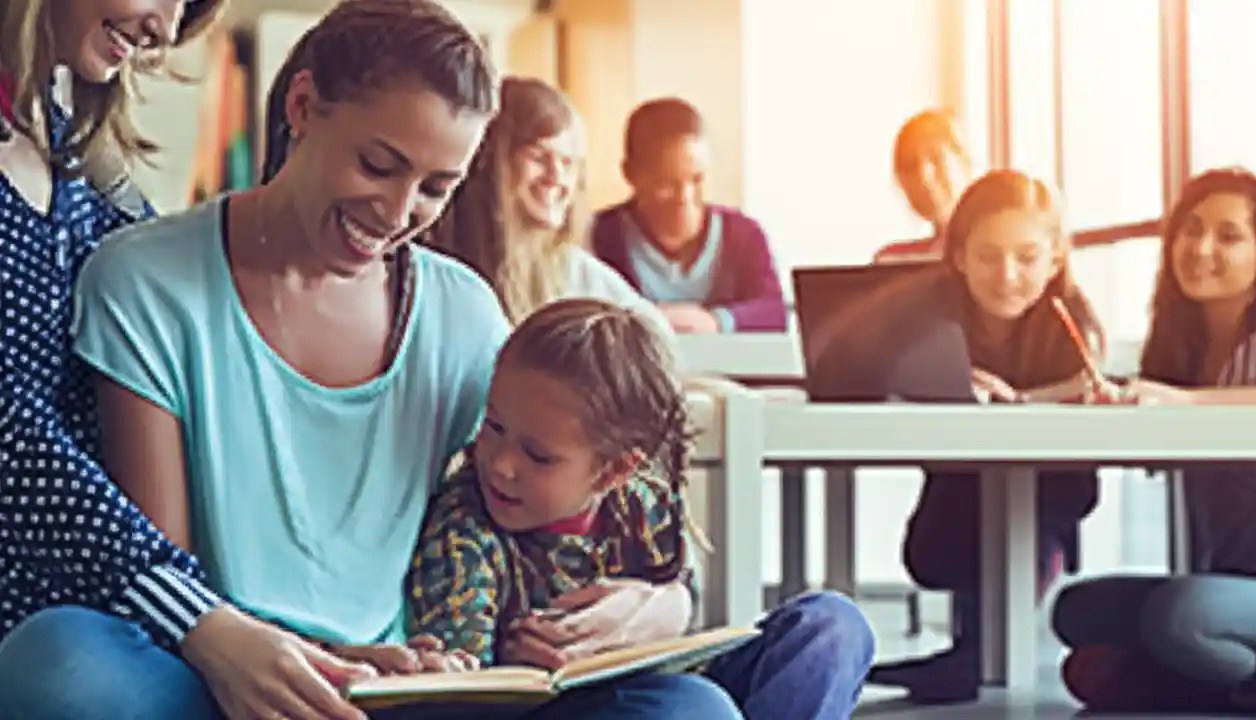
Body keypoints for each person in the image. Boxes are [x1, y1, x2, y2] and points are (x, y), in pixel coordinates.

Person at [1, 2, 737, 719]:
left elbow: (595, 471)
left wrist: (666, 600)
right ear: (302, 105)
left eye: (436, 190)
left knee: (692, 707)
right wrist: (301, 654)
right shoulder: (144, 277)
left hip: (408, 686)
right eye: (378, 164)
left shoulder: (460, 314)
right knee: (62, 661)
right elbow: (163, 573)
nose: (396, 213)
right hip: (228, 675)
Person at [409, 298, 876, 720]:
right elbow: (461, 684)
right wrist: (510, 662)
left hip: (657, 687)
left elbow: (680, 612)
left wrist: (661, 613)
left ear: (613, 471)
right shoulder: (465, 528)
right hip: (563, 710)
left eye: (538, 456)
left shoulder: (644, 502)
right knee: (693, 707)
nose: (501, 463)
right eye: (493, 427)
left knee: (833, 627)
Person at [0, 0, 224, 715]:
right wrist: (196, 616)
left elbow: (180, 307)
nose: (165, 26)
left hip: (102, 603)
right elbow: (13, 434)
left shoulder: (64, 150)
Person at [813, 169, 1108, 704]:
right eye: (989, 256)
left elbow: (1088, 388)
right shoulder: (927, 311)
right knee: (931, 555)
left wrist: (1031, 400)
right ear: (959, 257)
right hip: (958, 483)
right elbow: (867, 363)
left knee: (1013, 536)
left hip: (1050, 490)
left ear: (1056, 259)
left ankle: (975, 655)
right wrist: (950, 379)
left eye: (1026, 257)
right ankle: (967, 654)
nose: (1007, 274)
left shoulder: (1073, 321)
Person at [1053, 168, 1256, 715]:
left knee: (1181, 617)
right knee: (1075, 611)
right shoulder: (1181, 354)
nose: (1201, 248)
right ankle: (1214, 679)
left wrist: (1186, 403)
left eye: (1229, 236)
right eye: (1190, 229)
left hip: (1249, 595)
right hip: (1233, 588)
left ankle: (1211, 681)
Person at [418, 75, 671, 333]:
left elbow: (654, 334)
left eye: (568, 163)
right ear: (490, 164)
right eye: (539, 158)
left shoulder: (574, 271)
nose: (556, 178)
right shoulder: (436, 271)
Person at [592, 98, 787, 333]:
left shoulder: (744, 235)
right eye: (666, 183)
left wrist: (716, 321)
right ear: (631, 174)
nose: (684, 197)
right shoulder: (600, 236)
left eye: (697, 179)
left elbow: (774, 310)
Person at [874, 109, 973, 263]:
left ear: (965, 163)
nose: (924, 178)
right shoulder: (893, 260)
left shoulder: (999, 257)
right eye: (910, 166)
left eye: (936, 159)